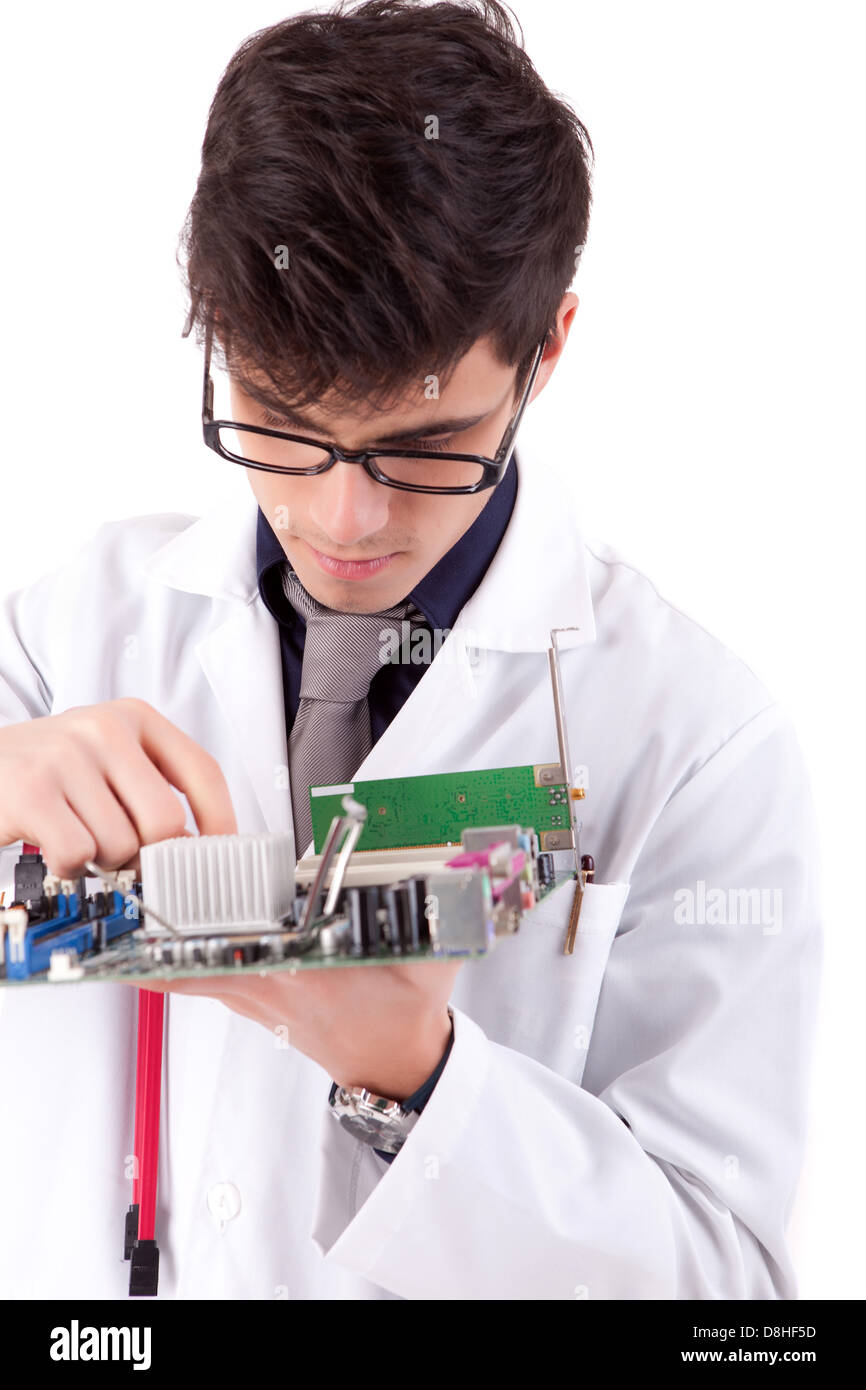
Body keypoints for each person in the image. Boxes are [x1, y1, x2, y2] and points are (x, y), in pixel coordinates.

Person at [0, 0, 820, 1299]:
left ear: (545, 346)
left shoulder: (694, 743)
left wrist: (419, 1080)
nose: (344, 517)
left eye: (420, 446)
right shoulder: (67, 629)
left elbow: (727, 1296)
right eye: (278, 423)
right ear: (214, 327)